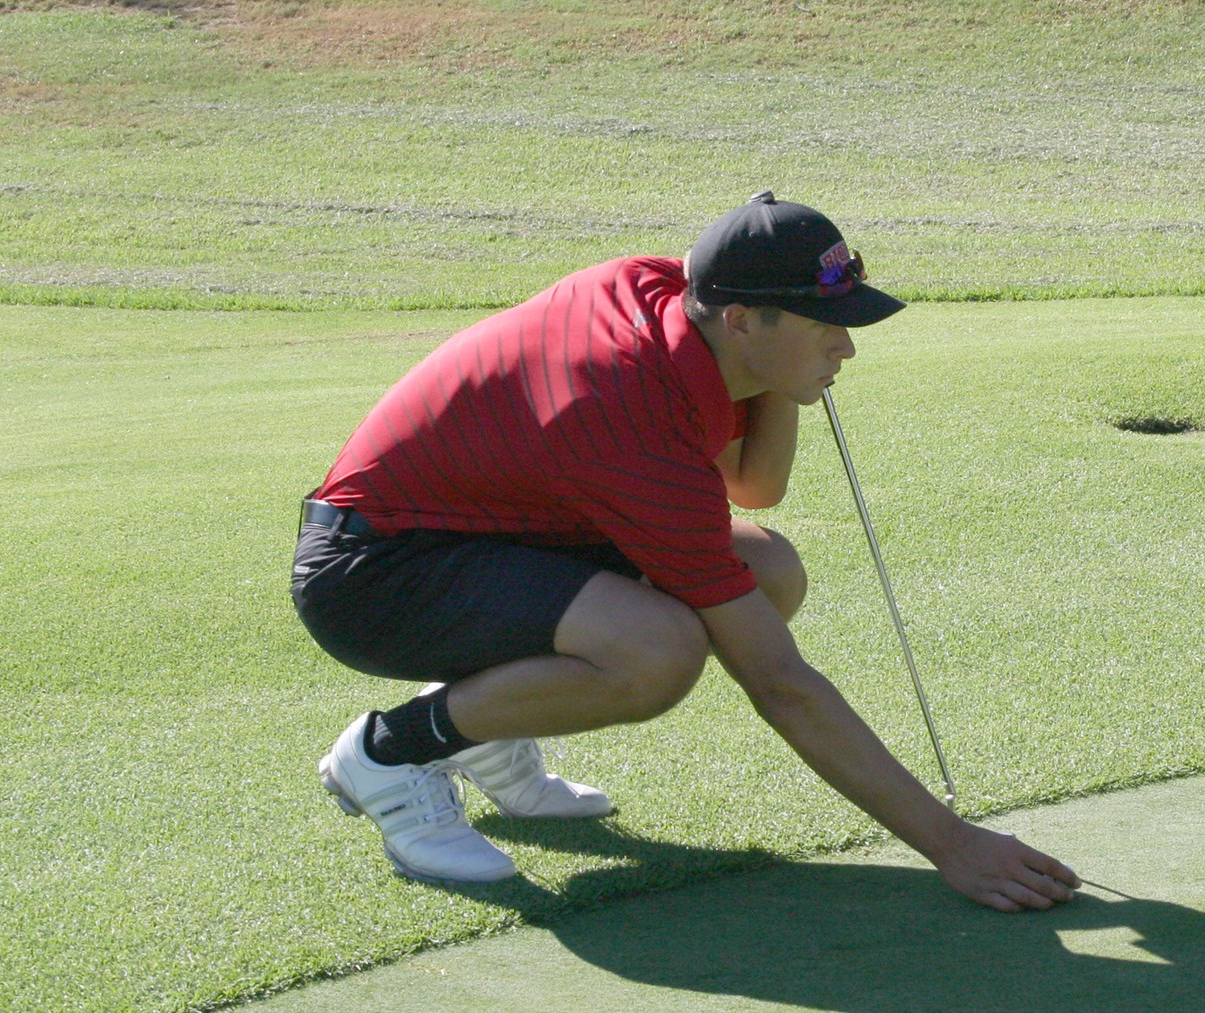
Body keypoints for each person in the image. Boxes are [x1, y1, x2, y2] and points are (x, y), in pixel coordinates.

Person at [291, 192, 1080, 912]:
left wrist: (790, 371)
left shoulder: (679, 301)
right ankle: (390, 756)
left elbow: (753, 484)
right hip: (373, 574)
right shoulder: (629, 416)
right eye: (823, 325)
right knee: (655, 654)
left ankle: (485, 726)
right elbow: (778, 682)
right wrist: (955, 844)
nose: (846, 348)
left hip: (490, 534)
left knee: (769, 571)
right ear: (742, 321)